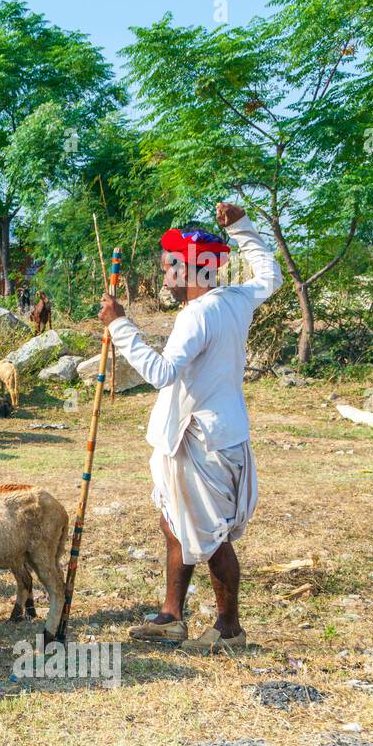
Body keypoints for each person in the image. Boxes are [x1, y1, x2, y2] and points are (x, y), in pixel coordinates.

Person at [98, 202, 282, 653]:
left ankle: (229, 629)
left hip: (200, 441)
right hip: (214, 434)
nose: (164, 278)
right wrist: (241, 226)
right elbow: (269, 276)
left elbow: (161, 374)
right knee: (176, 525)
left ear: (192, 269)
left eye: (169, 269)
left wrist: (120, 326)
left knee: (208, 536)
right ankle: (172, 616)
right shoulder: (238, 299)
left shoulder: (197, 316)